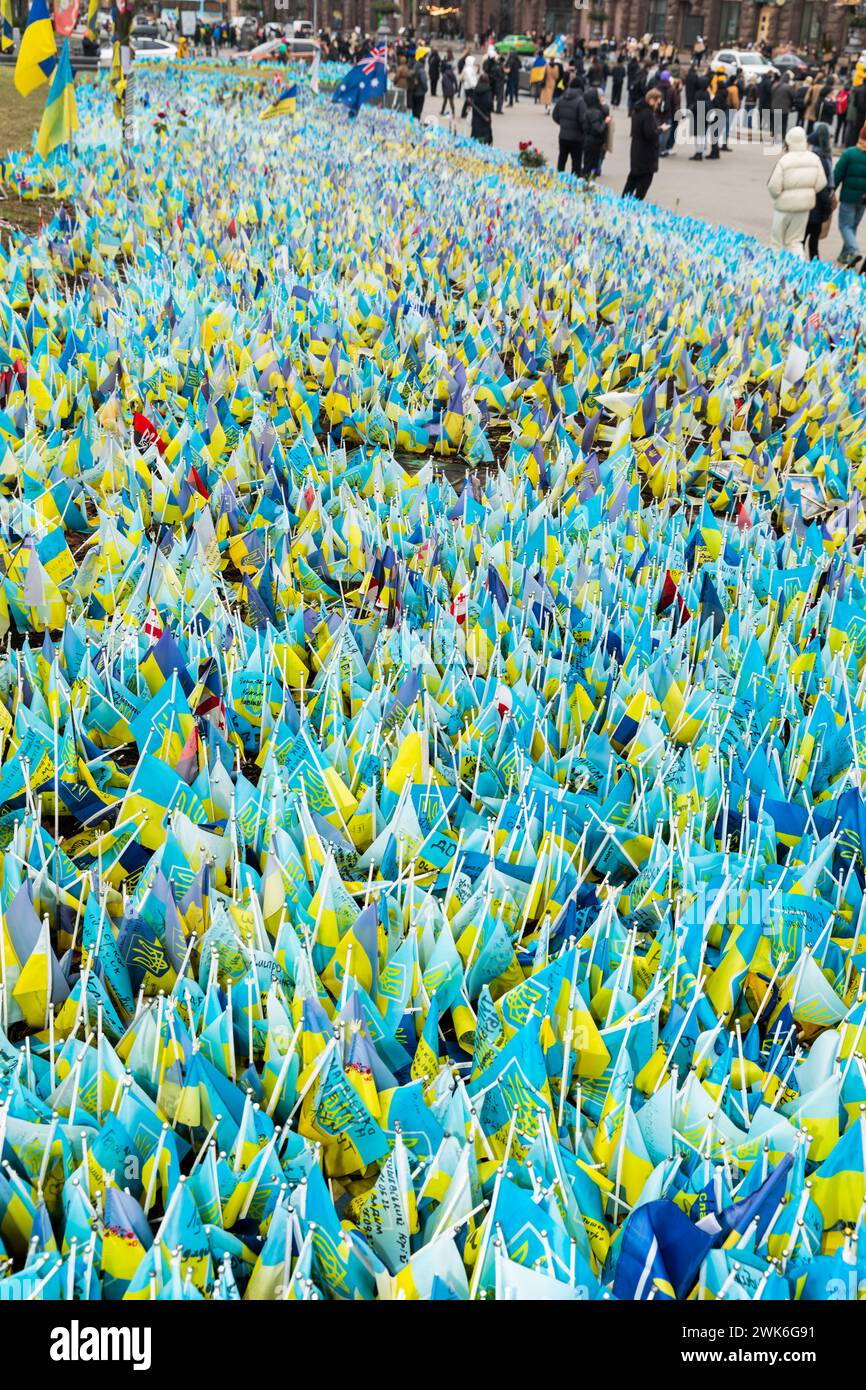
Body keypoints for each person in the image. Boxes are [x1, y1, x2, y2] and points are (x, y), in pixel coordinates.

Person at [767, 125, 827, 255]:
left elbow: (773, 186)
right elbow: (821, 183)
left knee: (776, 241)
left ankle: (773, 269)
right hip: (804, 207)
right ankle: (797, 270)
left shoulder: (784, 160)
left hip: (783, 207)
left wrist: (778, 196)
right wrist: (809, 191)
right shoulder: (814, 158)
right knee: (795, 241)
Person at [623, 85, 664, 199]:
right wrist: (660, 129)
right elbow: (650, 134)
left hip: (637, 150)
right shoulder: (647, 114)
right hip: (646, 155)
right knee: (643, 185)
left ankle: (623, 204)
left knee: (632, 181)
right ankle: (634, 207)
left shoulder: (637, 110)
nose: (658, 105)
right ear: (651, 100)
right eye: (657, 102)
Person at [833, 124, 866, 266]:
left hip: (848, 197)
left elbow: (837, 175)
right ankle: (845, 256)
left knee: (845, 226)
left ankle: (854, 250)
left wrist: (831, 191)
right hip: (864, 199)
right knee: (852, 227)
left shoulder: (849, 153)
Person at [804, 123, 835, 259]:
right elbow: (828, 187)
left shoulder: (811, 158)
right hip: (818, 211)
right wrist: (827, 209)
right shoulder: (827, 158)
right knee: (814, 245)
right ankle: (814, 272)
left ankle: (794, 268)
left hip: (806, 208)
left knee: (800, 242)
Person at [552, 76, 586, 173]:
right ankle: (573, 185)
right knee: (576, 163)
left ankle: (559, 180)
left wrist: (563, 123)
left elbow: (555, 115)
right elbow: (582, 120)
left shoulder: (562, 98)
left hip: (563, 135)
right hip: (577, 138)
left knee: (562, 159)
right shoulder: (581, 101)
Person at [581, 85, 609, 178]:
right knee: (591, 166)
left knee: (588, 164)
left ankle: (588, 180)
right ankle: (588, 183)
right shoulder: (595, 112)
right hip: (593, 143)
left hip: (589, 141)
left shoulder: (589, 109)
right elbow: (599, 129)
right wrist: (605, 122)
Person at [469, 71, 494, 143]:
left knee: (476, 134)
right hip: (485, 116)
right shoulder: (488, 91)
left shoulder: (476, 90)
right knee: (485, 134)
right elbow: (489, 103)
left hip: (476, 115)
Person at [770, 71, 794, 140]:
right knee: (783, 123)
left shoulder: (775, 85)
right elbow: (793, 95)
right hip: (784, 108)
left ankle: (774, 136)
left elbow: (771, 94)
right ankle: (783, 137)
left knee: (775, 123)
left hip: (774, 107)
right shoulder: (788, 87)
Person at [461, 52, 479, 117]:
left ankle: (466, 113)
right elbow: (470, 79)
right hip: (469, 88)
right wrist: (475, 85)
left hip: (470, 87)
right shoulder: (468, 69)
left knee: (469, 101)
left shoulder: (470, 68)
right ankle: (464, 113)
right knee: (469, 101)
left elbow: (474, 76)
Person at [440, 52, 457, 116]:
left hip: (446, 90)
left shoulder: (444, 74)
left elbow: (442, 83)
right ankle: (453, 112)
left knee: (444, 101)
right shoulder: (452, 74)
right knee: (451, 102)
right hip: (451, 89)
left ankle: (442, 111)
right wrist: (456, 89)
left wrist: (443, 91)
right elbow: (455, 82)